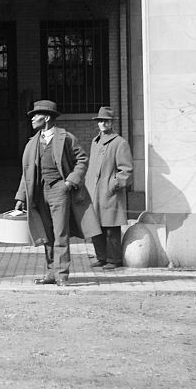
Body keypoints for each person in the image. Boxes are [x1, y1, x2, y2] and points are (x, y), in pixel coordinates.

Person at [14, 99, 102, 286]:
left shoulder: (66, 137)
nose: (32, 119)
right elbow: (27, 172)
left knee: (60, 232)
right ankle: (51, 272)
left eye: (35, 115)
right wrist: (21, 196)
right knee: (46, 234)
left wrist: (70, 181)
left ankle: (62, 274)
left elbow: (82, 160)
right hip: (39, 192)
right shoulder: (32, 143)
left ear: (46, 118)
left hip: (59, 191)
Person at [85, 106, 134, 270]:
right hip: (93, 191)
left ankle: (114, 259)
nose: (103, 123)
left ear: (112, 122)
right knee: (95, 226)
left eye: (106, 120)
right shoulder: (95, 141)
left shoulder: (120, 143)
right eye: (100, 121)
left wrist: (113, 184)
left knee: (110, 227)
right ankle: (101, 257)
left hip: (109, 192)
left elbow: (126, 170)